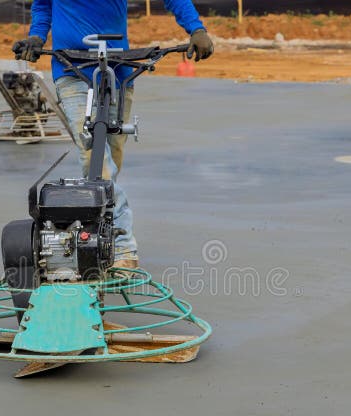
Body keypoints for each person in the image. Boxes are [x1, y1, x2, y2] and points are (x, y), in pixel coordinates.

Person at [13, 0, 213, 269]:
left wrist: (196, 29)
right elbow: (43, 5)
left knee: (111, 158)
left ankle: (97, 227)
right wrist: (37, 35)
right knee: (93, 152)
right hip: (71, 68)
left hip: (118, 69)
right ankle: (122, 245)